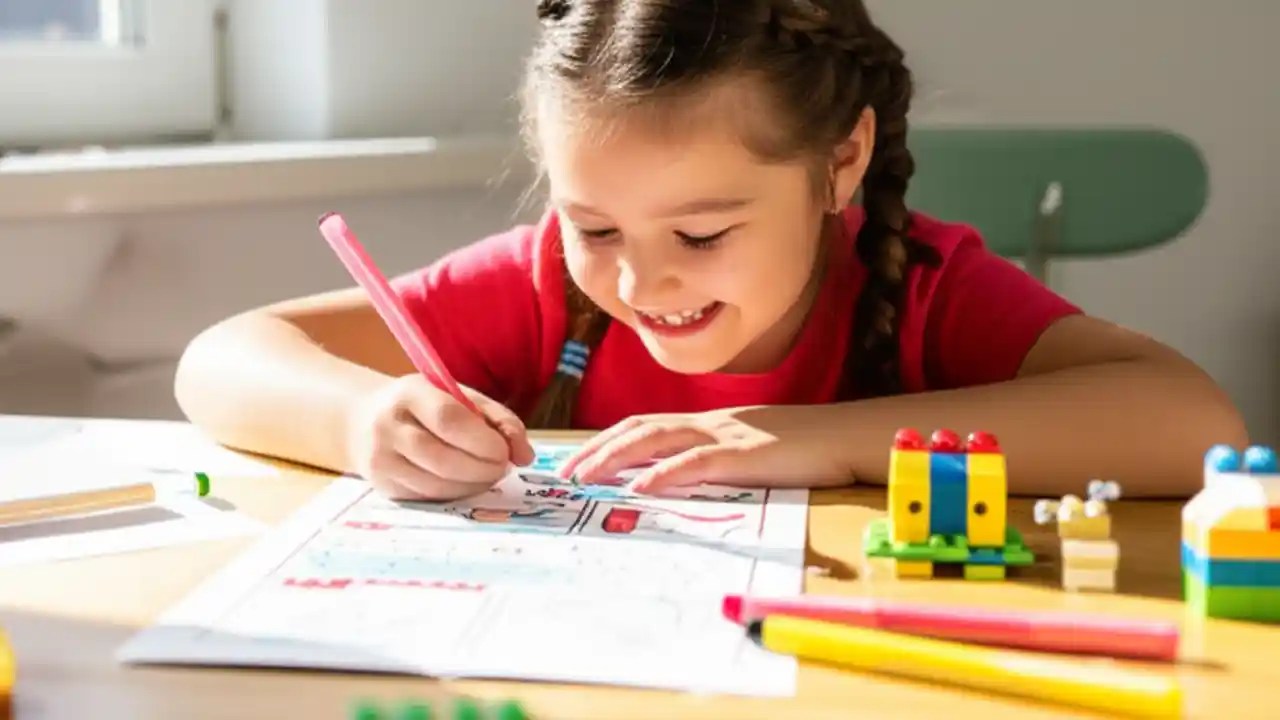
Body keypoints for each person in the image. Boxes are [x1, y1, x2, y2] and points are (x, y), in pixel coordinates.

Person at [174, 0, 1246, 501]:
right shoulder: (550, 282)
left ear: (838, 165)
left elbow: (1192, 424)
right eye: (596, 225)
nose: (641, 281)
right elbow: (223, 358)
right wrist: (363, 418)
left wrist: (815, 439)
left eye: (700, 231)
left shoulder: (918, 285)